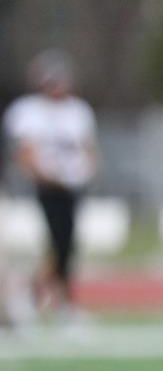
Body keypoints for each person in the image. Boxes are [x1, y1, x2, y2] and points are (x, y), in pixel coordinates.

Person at [4, 50, 97, 321]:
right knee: (57, 243)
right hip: (44, 186)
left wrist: (85, 172)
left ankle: (50, 300)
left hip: (72, 186)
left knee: (65, 244)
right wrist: (47, 175)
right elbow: (25, 152)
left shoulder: (78, 110)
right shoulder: (27, 110)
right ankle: (42, 298)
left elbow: (89, 149)